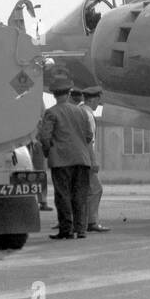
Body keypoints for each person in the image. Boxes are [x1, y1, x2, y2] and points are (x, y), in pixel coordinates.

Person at [39, 78, 94, 239]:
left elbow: (45, 137)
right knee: (80, 195)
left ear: (54, 95)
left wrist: (48, 151)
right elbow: (89, 135)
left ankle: (66, 230)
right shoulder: (81, 112)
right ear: (69, 93)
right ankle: (80, 229)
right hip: (82, 159)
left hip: (61, 161)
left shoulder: (51, 113)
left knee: (63, 195)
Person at [79, 86, 112, 232]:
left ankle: (83, 221)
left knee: (83, 190)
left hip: (76, 158)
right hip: (85, 158)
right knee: (96, 189)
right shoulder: (88, 115)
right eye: (98, 100)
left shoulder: (79, 111)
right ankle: (92, 222)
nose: (99, 103)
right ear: (92, 99)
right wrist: (93, 162)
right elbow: (89, 141)